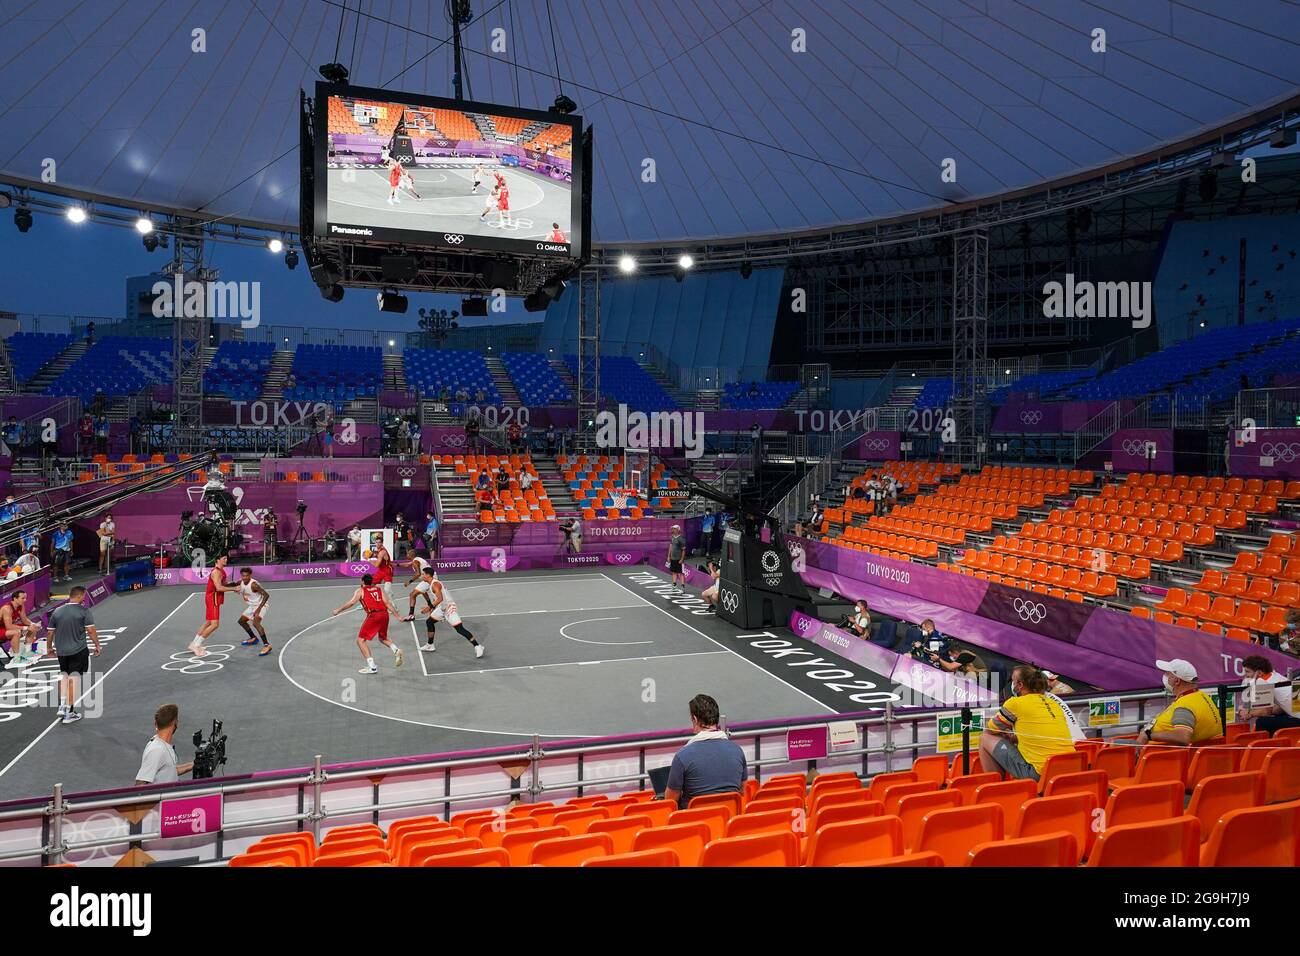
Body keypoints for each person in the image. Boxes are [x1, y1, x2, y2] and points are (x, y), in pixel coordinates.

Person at [979, 665, 1076, 781]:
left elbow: (991, 730)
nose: (1012, 684)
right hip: (1071, 768)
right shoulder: (1053, 703)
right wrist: (1015, 738)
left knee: (985, 737)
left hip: (1039, 774)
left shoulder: (1015, 703)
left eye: (1013, 680)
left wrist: (1006, 735)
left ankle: (996, 788)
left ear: (1019, 685)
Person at [664, 694, 746, 809]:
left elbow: (669, 801)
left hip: (693, 824)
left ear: (695, 719)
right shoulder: (738, 751)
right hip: (726, 822)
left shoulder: (682, 757)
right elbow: (742, 791)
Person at [1136, 659, 1224, 747]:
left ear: (1177, 681)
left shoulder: (1185, 706)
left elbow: (1182, 737)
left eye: (1168, 674)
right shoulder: (1202, 696)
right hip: (1158, 752)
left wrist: (1147, 735)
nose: (1165, 676)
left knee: (1121, 744)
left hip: (1156, 754)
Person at [332, 573, 404, 674]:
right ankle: (396, 650)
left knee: (360, 641)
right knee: (383, 638)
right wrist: (397, 616)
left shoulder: (360, 590)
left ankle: (372, 667)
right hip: (384, 615)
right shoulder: (379, 589)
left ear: (362, 581)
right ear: (372, 581)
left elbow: (352, 603)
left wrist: (338, 610)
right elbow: (387, 603)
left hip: (374, 616)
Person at [50, 585, 101, 725]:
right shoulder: (84, 611)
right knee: (74, 679)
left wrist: (49, 648)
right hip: (78, 650)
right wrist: (97, 645)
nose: (84, 598)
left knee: (64, 675)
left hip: (61, 651)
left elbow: (50, 632)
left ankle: (61, 705)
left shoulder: (57, 611)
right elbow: (90, 631)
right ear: (79, 596)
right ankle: (69, 712)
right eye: (83, 595)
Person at [407, 567, 484, 658]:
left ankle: (477, 646)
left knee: (459, 629)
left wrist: (429, 607)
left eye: (423, 574)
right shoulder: (431, 583)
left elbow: (440, 598)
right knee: (429, 622)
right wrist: (433, 608)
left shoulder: (435, 584)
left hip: (449, 607)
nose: (421, 576)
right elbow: (437, 599)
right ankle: (430, 645)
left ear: (428, 575)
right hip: (441, 608)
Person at [189, 554, 235, 658]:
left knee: (208, 622)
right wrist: (234, 589)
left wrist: (234, 584)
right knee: (215, 625)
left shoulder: (221, 571)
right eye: (224, 559)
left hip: (212, 598)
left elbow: (224, 583)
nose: (226, 560)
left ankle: (193, 644)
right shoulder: (216, 572)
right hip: (213, 598)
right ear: (218, 560)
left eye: (227, 558)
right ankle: (197, 645)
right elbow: (219, 588)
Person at [1241, 654, 1300, 735]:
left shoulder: (1262, 682)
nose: (1246, 675)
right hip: (1297, 713)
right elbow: (1281, 708)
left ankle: (1262, 746)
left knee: (1262, 721)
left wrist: (1250, 714)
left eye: (1248, 671)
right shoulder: (1277, 676)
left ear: (1259, 672)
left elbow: (1265, 712)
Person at [135, 704, 193, 785]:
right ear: (176, 723)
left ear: (155, 723)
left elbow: (169, 771)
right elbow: (140, 783)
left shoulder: (162, 745)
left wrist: (194, 764)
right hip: (164, 797)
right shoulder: (157, 750)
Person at [1, 589, 44, 670]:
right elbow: (9, 626)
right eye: (22, 598)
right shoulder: (7, 608)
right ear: (15, 598)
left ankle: (28, 652)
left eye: (25, 598)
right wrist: (26, 628)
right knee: (16, 632)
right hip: (2, 629)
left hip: (6, 628)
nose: (25, 600)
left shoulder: (21, 606)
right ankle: (16, 659)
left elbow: (24, 620)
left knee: (33, 627)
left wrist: (33, 624)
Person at [235, 567, 273, 657]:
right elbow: (232, 584)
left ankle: (267, 645)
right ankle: (253, 638)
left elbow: (266, 595)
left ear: (250, 575)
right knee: (241, 621)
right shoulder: (240, 581)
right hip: (252, 605)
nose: (245, 577)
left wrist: (259, 609)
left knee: (256, 623)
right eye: (243, 575)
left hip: (261, 605)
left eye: (247, 576)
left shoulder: (254, 585)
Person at [667, 525, 687, 592]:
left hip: (679, 559)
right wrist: (668, 556)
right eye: (672, 529)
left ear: (678, 530)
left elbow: (684, 550)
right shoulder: (672, 537)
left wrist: (682, 559)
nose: (673, 530)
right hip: (673, 558)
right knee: (674, 572)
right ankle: (674, 585)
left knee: (680, 573)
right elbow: (670, 547)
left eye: (674, 529)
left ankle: (683, 587)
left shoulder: (681, 539)